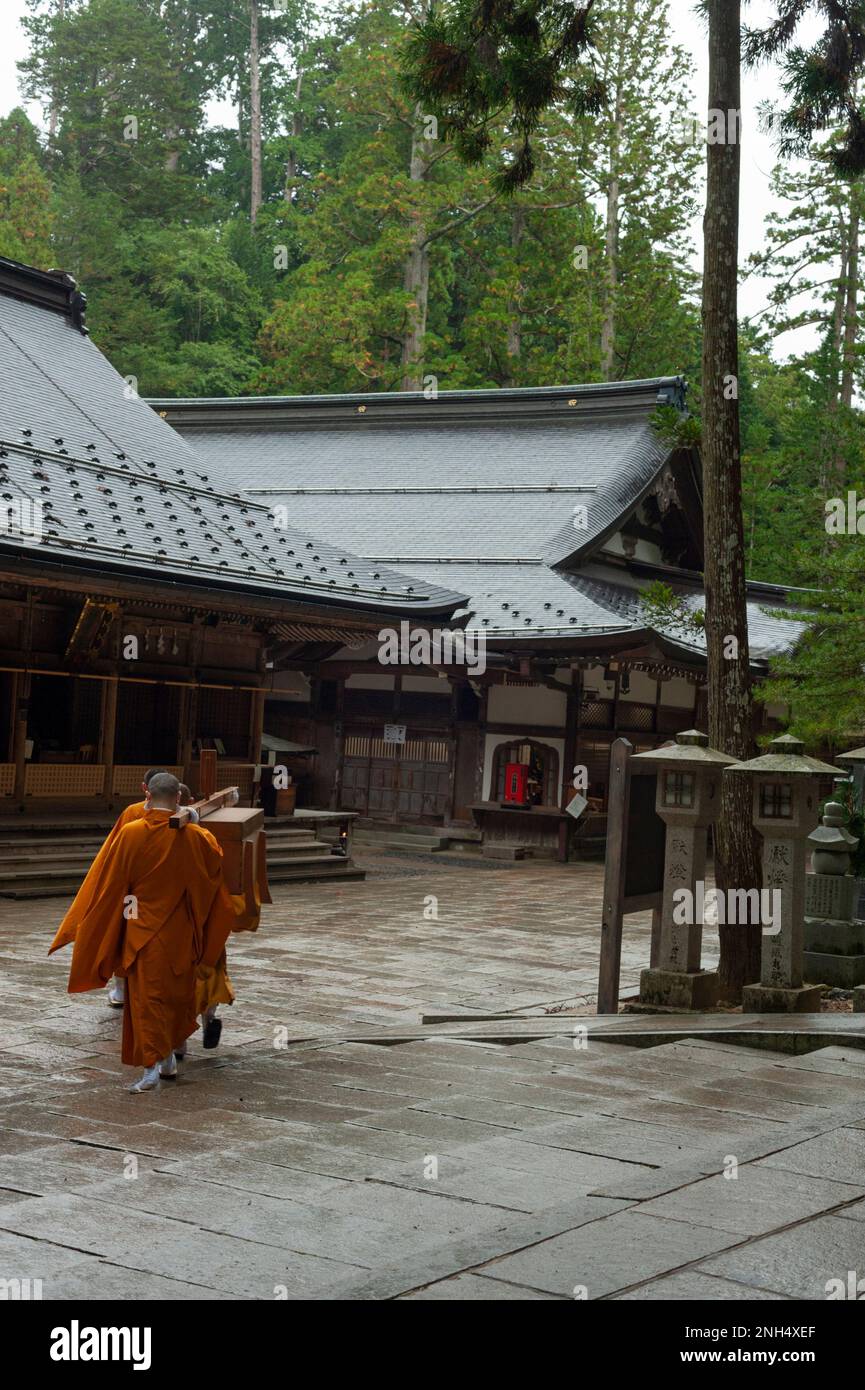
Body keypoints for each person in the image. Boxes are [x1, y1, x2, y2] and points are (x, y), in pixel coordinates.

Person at [49, 773, 235, 1092]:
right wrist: (194, 821)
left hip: (143, 930)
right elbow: (215, 873)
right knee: (176, 995)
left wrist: (127, 918)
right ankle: (167, 1059)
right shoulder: (197, 838)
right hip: (182, 930)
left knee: (147, 999)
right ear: (178, 798)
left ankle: (152, 1068)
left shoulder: (131, 832)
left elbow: (115, 886)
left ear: (148, 794)